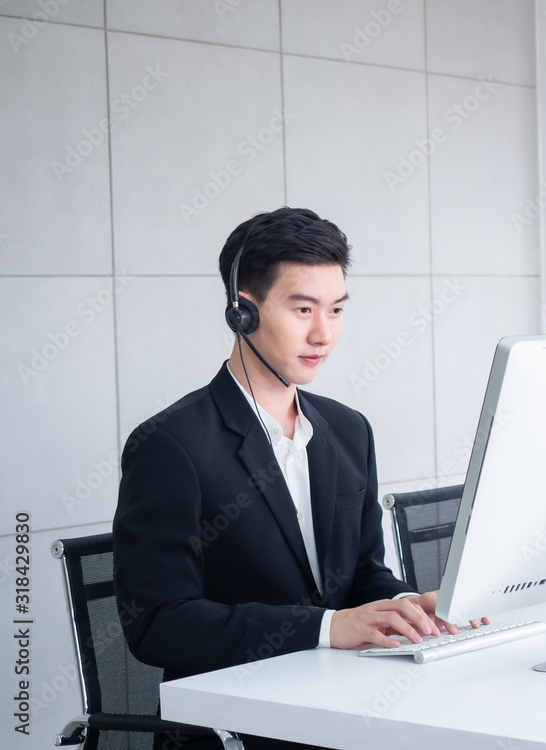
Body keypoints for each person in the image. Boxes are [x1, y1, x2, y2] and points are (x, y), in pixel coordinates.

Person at [113, 208, 474, 750]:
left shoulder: (349, 431)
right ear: (242, 313)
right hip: (237, 730)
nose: (322, 332)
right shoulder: (170, 446)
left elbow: (361, 574)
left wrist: (409, 609)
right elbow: (160, 624)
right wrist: (329, 628)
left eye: (335, 309)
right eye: (303, 308)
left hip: (347, 707)